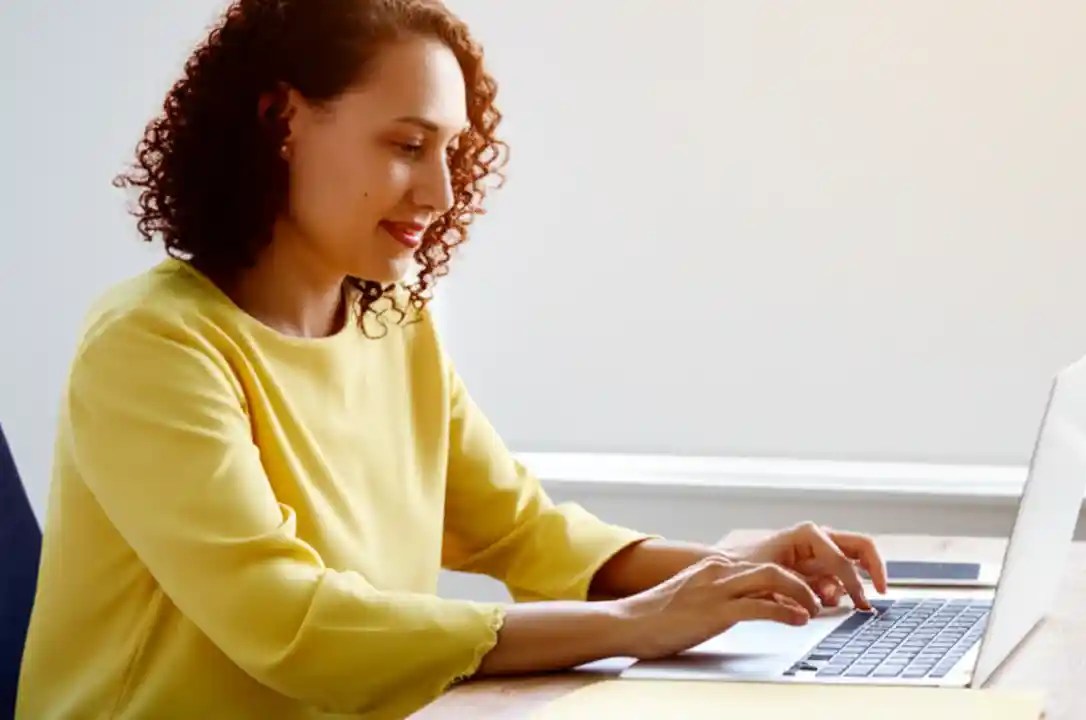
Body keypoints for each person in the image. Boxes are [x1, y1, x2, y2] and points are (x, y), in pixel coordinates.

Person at [16, 1, 888, 717]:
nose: (439, 192)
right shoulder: (152, 345)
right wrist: (635, 622)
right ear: (279, 119)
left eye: (451, 152)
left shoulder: (392, 322)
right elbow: (292, 627)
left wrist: (728, 574)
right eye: (406, 145)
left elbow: (516, 530)